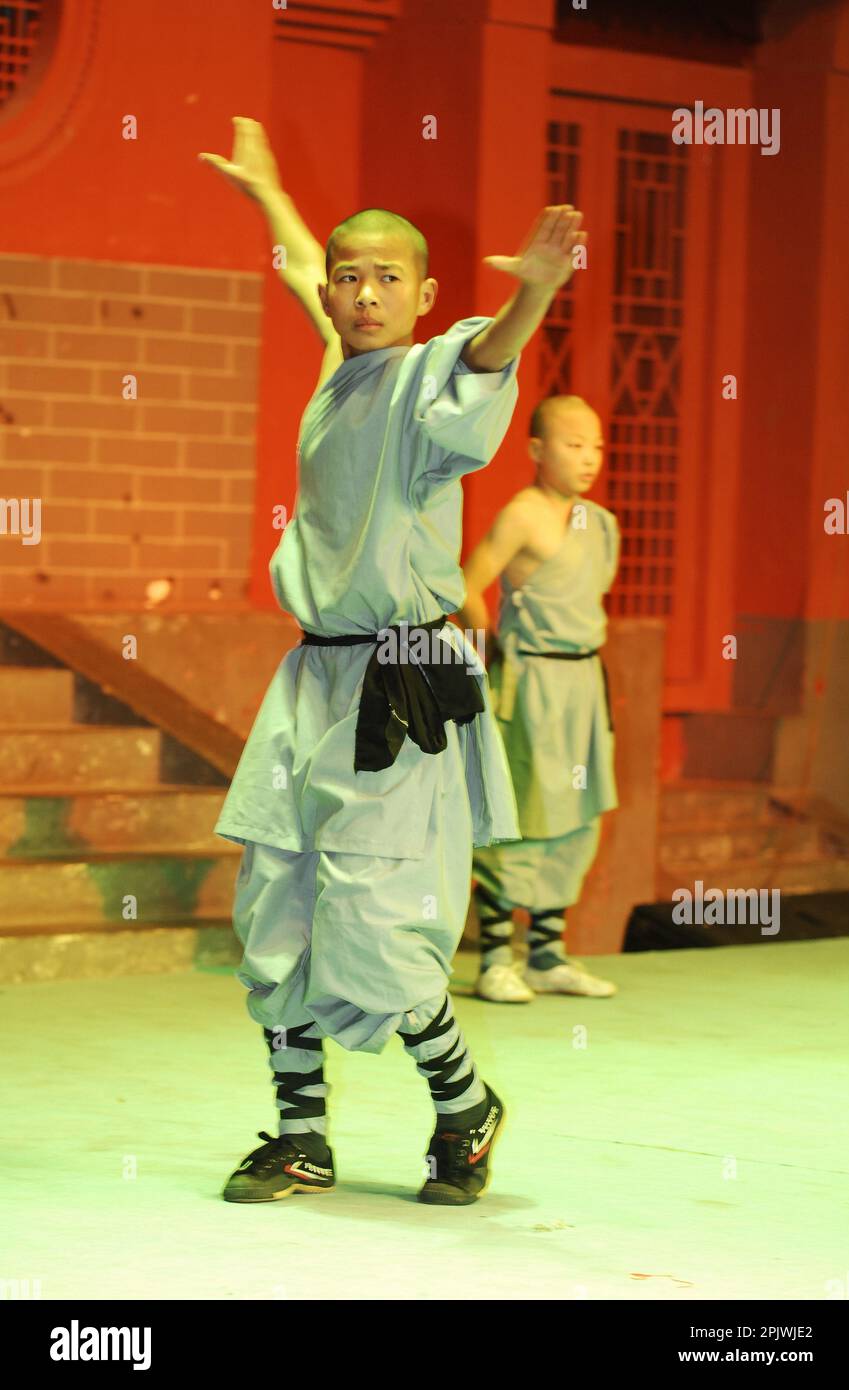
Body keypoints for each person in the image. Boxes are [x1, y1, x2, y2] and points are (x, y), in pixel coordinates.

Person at [198, 117, 588, 1203]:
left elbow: (488, 354)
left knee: (378, 917)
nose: (363, 294)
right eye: (349, 277)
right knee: (275, 904)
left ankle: (463, 1108)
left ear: (423, 294)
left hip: (403, 677)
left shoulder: (427, 377)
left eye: (386, 278)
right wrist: (269, 191)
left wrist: (533, 294)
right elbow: (297, 264)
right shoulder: (340, 369)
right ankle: (299, 1136)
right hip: (312, 677)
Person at [459, 395, 620, 1004]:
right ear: (536, 450)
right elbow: (466, 584)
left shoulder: (599, 522)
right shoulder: (523, 515)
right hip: (530, 684)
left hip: (584, 684)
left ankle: (548, 955)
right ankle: (496, 959)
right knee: (524, 813)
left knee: (577, 815)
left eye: (596, 446)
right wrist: (493, 647)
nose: (588, 458)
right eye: (574, 445)